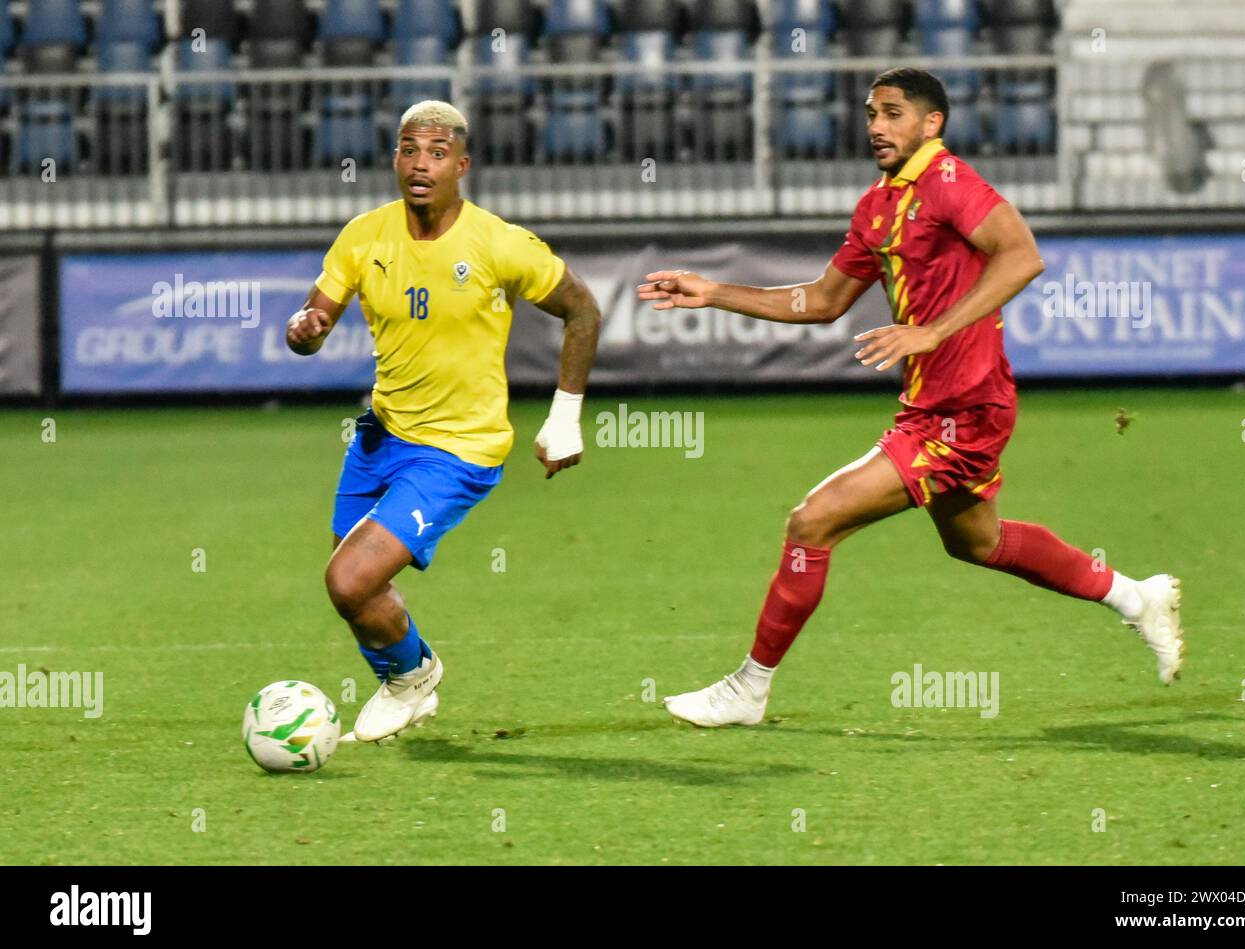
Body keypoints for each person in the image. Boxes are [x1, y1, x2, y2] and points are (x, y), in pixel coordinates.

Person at [637, 69, 1182, 727]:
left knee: (812, 522)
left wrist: (933, 329)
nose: (875, 126)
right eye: (871, 113)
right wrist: (715, 291)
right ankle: (1134, 596)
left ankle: (748, 688)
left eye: (893, 113)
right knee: (977, 542)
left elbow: (1022, 256)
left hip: (964, 410)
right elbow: (824, 300)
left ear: (932, 123)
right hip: (938, 406)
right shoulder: (879, 204)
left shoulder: (952, 184)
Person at [286, 101, 601, 741]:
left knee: (349, 577)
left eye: (435, 153)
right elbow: (311, 323)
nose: (419, 164)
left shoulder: (498, 243)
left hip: (459, 449)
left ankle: (409, 679)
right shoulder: (363, 236)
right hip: (379, 437)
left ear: (462, 165)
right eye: (408, 150)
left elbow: (583, 310)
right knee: (355, 591)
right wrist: (306, 330)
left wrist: (565, 414)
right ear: (395, 159)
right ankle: (411, 676)